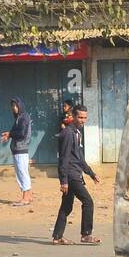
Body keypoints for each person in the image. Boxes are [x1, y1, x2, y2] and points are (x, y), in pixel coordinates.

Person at [51, 103, 100, 245]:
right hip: (71, 175)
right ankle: (86, 234)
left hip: (75, 173)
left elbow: (79, 157)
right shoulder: (67, 133)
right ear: (73, 116)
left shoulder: (76, 133)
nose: (83, 120)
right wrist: (63, 180)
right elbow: (64, 158)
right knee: (88, 202)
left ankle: (57, 237)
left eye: (85, 118)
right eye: (80, 117)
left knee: (66, 206)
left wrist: (91, 173)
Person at [0, 96, 32, 206]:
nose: (13, 108)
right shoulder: (19, 118)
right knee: (22, 173)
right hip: (18, 149)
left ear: (20, 105)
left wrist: (10, 134)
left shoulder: (23, 118)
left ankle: (25, 198)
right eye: (12, 106)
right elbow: (14, 132)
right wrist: (9, 134)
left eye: (15, 105)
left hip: (21, 149)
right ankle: (28, 196)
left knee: (22, 174)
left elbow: (21, 134)